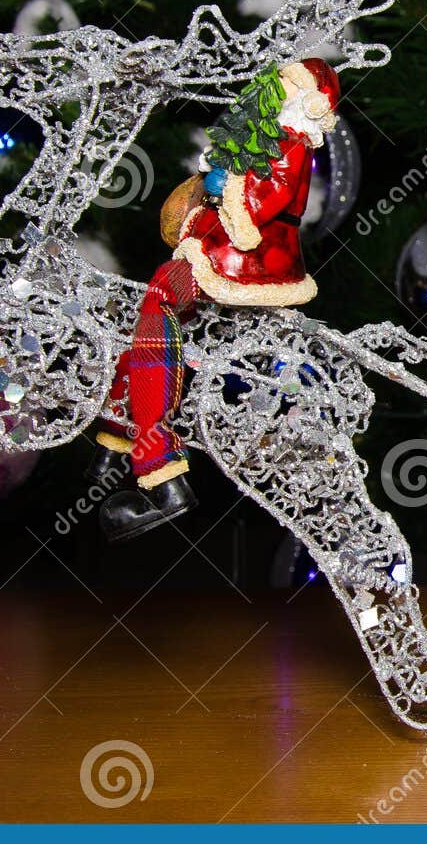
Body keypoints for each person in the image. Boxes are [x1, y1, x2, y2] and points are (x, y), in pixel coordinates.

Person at [89, 58, 341, 541]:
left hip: (248, 262)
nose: (275, 89)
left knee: (161, 298)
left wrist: (224, 185)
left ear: (309, 103)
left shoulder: (288, 149)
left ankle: (157, 467)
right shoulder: (268, 140)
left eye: (287, 85)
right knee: (152, 307)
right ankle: (119, 430)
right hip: (218, 251)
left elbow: (252, 219)